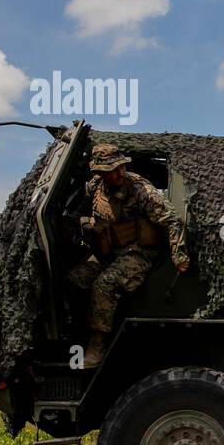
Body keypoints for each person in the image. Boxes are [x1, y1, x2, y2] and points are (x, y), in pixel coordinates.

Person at [68, 143, 189, 367]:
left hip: (139, 254)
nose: (119, 173)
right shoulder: (95, 187)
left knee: (104, 284)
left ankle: (98, 345)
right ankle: (77, 336)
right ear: (99, 173)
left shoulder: (140, 189)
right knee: (76, 280)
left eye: (121, 167)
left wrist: (179, 255)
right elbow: (81, 213)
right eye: (113, 170)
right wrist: (84, 224)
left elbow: (173, 220)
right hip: (108, 252)